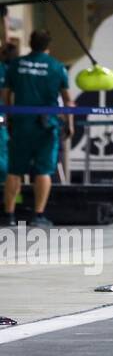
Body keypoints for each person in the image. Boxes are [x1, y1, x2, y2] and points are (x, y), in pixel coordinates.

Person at [3, 31, 73, 228]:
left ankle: (8, 215)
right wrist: (70, 124)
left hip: (20, 124)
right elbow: (67, 99)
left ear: (29, 43)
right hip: (46, 126)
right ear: (48, 46)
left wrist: (9, 116)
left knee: (14, 170)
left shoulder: (15, 65)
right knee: (43, 171)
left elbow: (6, 93)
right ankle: (38, 215)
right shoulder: (57, 67)